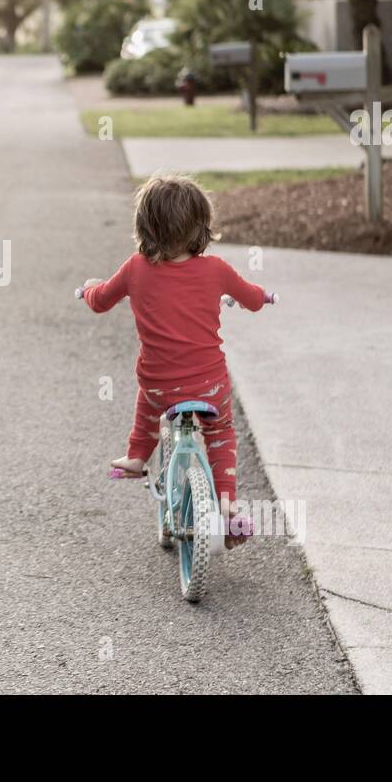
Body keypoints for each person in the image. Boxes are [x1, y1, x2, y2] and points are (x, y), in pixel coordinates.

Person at [80, 174, 271, 548]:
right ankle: (228, 504)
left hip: (159, 383)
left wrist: (88, 288)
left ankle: (137, 457)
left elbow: (101, 300)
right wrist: (264, 296)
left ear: (145, 226)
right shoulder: (216, 271)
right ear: (202, 227)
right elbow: (249, 297)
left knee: (148, 400)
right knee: (220, 432)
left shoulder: (135, 268)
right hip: (209, 385)